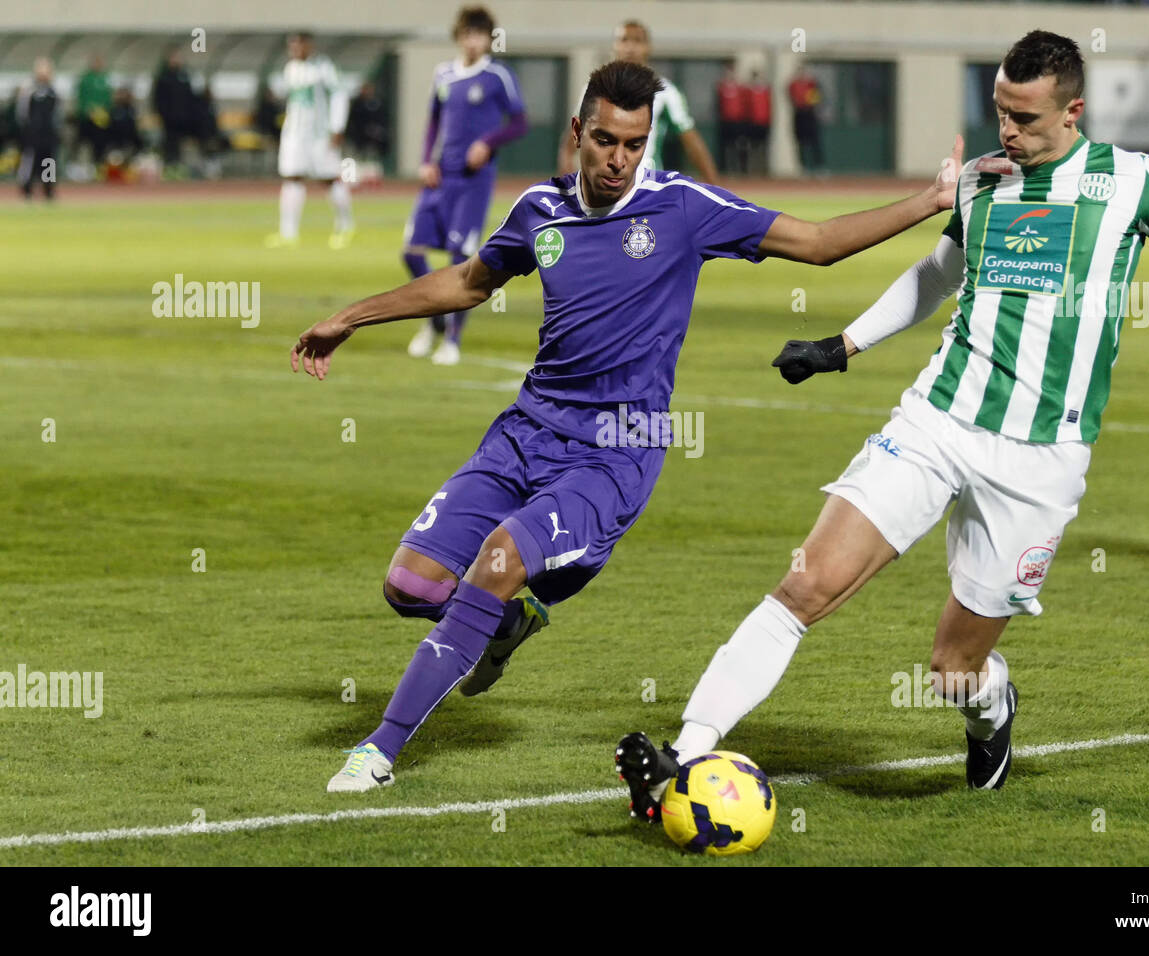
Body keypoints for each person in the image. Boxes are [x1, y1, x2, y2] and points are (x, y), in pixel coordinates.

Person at [616, 30, 1149, 817]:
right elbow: (937, 276)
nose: (1007, 133)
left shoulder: (1133, 183)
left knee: (951, 668)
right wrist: (842, 343)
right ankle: (684, 752)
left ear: (1074, 111)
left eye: (1024, 118)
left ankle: (991, 706)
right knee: (806, 583)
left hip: (1041, 457)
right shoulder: (985, 182)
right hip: (937, 419)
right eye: (998, 112)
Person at [288, 60, 962, 793]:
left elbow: (820, 242)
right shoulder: (539, 211)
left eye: (635, 144)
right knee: (409, 585)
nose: (619, 160)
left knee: (499, 561)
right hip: (523, 432)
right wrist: (351, 316)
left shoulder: (681, 207)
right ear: (578, 132)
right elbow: (468, 281)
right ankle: (501, 625)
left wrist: (930, 200)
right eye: (606, 140)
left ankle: (379, 750)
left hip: (613, 455)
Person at [404, 6, 528, 367]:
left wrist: (488, 142)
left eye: (480, 35)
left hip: (474, 182)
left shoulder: (497, 76)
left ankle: (452, 340)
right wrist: (427, 160)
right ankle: (435, 319)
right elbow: (433, 121)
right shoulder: (443, 74)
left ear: (489, 39)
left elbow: (520, 123)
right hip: (441, 176)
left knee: (460, 258)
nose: (473, 41)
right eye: (467, 34)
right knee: (411, 252)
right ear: (458, 36)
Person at [556, 20, 719, 183]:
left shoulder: (666, 92)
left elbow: (691, 142)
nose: (630, 47)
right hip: (604, 186)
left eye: (637, 40)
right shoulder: (593, 88)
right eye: (624, 40)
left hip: (646, 187)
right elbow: (570, 142)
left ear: (648, 47)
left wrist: (714, 187)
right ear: (614, 45)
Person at [265, 32, 353, 250]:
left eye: (299, 45)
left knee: (329, 179)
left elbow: (340, 95)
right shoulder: (290, 70)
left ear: (309, 46)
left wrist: (337, 127)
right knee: (292, 178)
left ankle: (345, 225)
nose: (295, 49)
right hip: (294, 135)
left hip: (319, 135)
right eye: (291, 46)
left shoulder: (323, 68)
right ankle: (288, 233)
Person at [16, 57, 61, 202]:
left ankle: (48, 190)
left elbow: (57, 113)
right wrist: (28, 128)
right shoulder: (29, 90)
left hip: (48, 133)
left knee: (49, 161)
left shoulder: (53, 91)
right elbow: (22, 113)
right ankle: (27, 189)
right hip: (33, 133)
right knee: (30, 160)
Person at [152, 49, 197, 169]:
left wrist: (190, 113)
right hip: (168, 117)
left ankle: (178, 165)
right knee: (169, 141)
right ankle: (169, 165)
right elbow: (157, 97)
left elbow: (191, 96)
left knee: (180, 142)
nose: (176, 60)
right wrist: (162, 112)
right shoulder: (163, 77)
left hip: (183, 116)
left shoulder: (185, 76)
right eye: (174, 57)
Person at [76, 54, 112, 166]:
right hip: (87, 118)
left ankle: (99, 165)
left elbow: (109, 99)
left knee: (100, 143)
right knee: (84, 143)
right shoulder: (85, 79)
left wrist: (106, 111)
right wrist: (86, 111)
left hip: (101, 119)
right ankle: (83, 165)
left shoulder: (105, 79)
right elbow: (81, 98)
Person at [788, 64, 825, 174]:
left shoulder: (811, 84)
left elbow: (817, 97)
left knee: (815, 141)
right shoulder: (793, 84)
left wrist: (813, 106)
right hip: (799, 114)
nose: (802, 75)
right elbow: (791, 97)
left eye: (803, 72)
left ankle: (819, 166)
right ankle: (803, 167)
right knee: (801, 142)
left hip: (810, 113)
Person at [716, 63, 746, 174]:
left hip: (738, 122)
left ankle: (739, 169)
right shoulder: (721, 87)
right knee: (726, 146)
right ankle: (728, 168)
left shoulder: (740, 88)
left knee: (738, 146)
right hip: (725, 121)